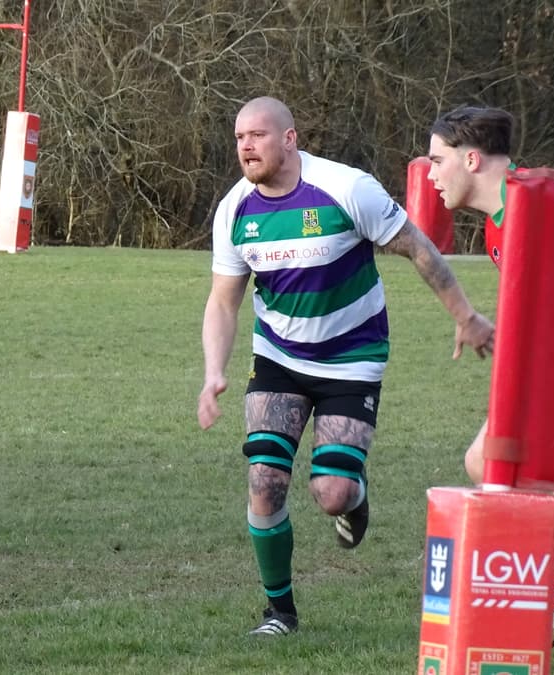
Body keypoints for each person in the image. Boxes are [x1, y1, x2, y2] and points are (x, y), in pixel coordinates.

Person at [197, 96, 495, 636]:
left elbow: (418, 248)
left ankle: (353, 498)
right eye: (239, 136)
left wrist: (465, 315)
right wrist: (213, 371)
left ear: (290, 138)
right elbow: (223, 301)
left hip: (352, 357)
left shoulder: (346, 188)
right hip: (278, 359)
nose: (246, 145)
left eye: (258, 135)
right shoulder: (235, 211)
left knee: (331, 490)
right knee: (264, 481)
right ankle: (279, 613)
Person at [427, 105, 554, 674]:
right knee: (486, 461)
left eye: (436, 160)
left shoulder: (542, 206)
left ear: (470, 158)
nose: (430, 174)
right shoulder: (497, 225)